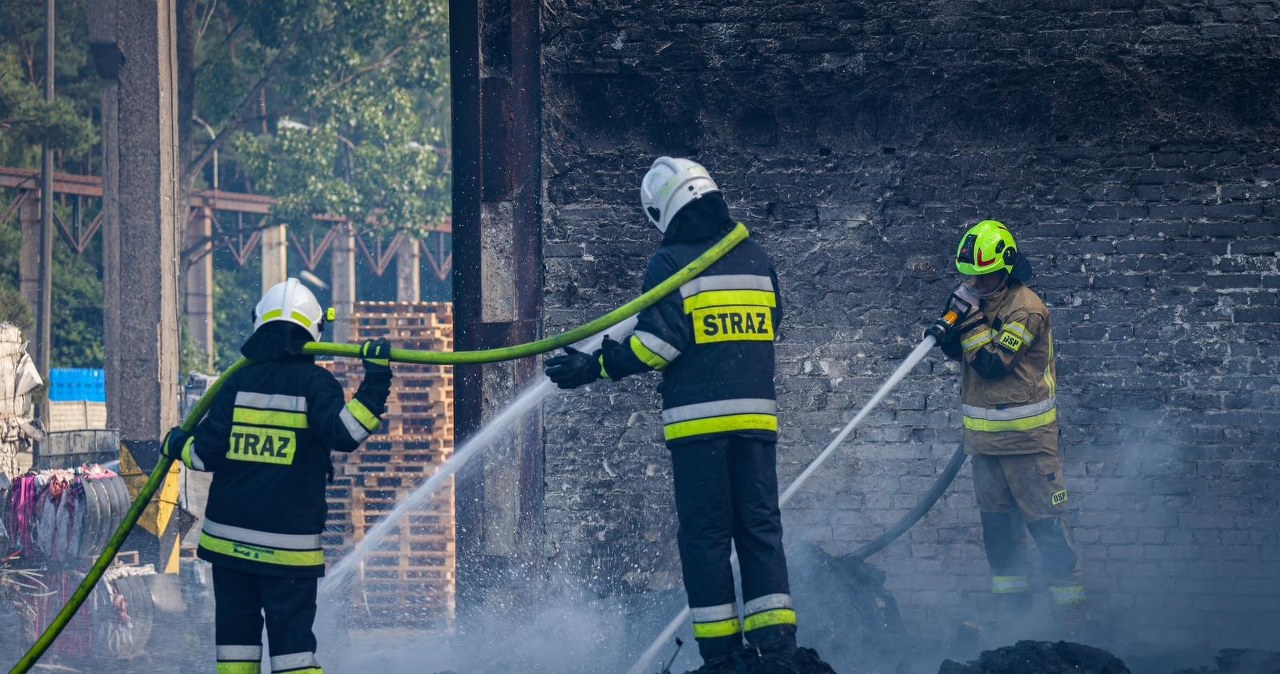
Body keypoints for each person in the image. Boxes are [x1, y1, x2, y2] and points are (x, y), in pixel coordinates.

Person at [545, 157, 796, 668]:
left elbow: (657, 346)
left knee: (706, 537)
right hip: (756, 424)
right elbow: (772, 325)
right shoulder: (755, 256)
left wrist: (591, 367)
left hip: (700, 428)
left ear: (664, 209)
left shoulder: (671, 262)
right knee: (760, 530)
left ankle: (723, 656)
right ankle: (777, 652)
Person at [160, 278, 393, 674]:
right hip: (288, 551)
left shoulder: (236, 382)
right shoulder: (315, 384)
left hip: (229, 549)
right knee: (293, 655)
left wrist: (177, 442)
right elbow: (347, 433)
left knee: (236, 650)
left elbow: (203, 455)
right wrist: (376, 379)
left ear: (259, 324)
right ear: (313, 332)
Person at [928, 220, 1086, 637]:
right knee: (1000, 541)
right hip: (985, 446)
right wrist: (948, 328)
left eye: (984, 276)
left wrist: (970, 322)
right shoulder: (979, 301)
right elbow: (960, 354)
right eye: (969, 276)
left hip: (1029, 447)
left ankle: (1072, 625)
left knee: (1049, 534)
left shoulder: (1026, 308)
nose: (975, 283)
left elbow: (994, 365)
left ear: (1007, 268)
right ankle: (1012, 625)